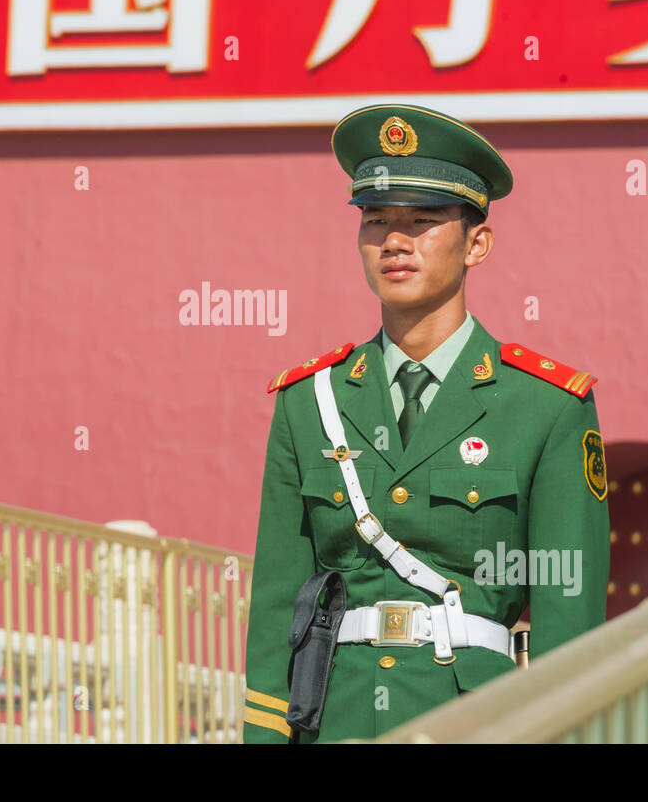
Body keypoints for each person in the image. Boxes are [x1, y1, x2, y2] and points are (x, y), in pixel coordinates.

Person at [242, 104, 609, 743]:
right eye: (376, 220)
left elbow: (567, 613)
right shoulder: (309, 399)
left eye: (423, 221)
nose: (394, 241)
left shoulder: (547, 404)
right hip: (336, 716)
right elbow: (279, 600)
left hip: (475, 719)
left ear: (477, 244)